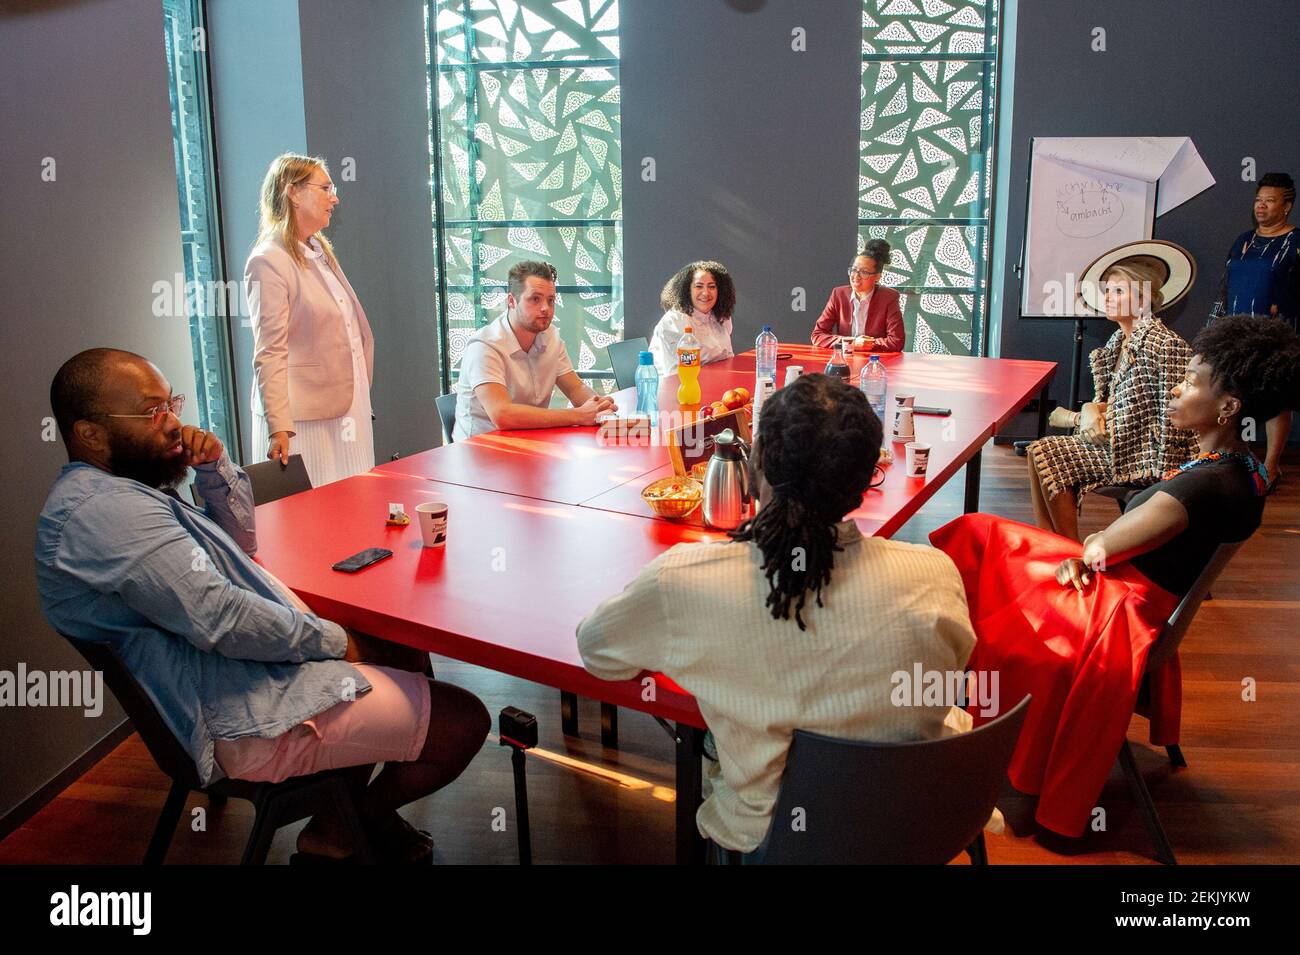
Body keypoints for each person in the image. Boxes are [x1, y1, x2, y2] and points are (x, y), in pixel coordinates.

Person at [36, 348, 490, 863]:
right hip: (244, 716)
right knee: (465, 721)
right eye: (151, 411)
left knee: (402, 652)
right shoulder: (107, 513)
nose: (172, 424)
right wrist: (337, 643)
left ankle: (345, 814)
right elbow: (222, 619)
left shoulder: (123, 492)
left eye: (171, 404)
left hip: (239, 675)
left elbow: (243, 541)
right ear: (90, 433)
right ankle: (344, 829)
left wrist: (212, 469)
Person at [577, 374, 977, 857]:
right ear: (866, 477)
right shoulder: (935, 575)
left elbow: (596, 651)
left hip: (772, 842)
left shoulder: (684, 583)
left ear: (756, 462)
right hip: (918, 826)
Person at [931, 315, 1300, 838]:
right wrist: (1087, 552)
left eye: (1191, 381)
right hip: (1141, 602)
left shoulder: (1196, 491)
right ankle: (965, 687)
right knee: (987, 537)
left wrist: (1084, 555)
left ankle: (962, 701)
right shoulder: (1245, 473)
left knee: (979, 539)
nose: (1177, 387)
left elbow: (1099, 549)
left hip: (1115, 616)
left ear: (1229, 407)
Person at [1028, 245, 1199, 541]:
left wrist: (1168, 478)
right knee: (1040, 450)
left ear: (1143, 300)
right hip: (1120, 444)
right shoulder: (1116, 343)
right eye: (1107, 290)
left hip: (1146, 455)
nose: (1107, 298)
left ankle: (1067, 550)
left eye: (1118, 292)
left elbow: (1176, 416)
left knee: (1048, 452)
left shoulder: (1165, 344)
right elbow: (1119, 403)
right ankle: (1053, 544)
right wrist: (1093, 409)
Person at [245, 154, 376, 487]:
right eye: (326, 188)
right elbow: (269, 351)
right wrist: (279, 426)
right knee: (314, 511)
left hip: (348, 406)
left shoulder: (318, 249)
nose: (335, 198)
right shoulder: (269, 260)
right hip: (302, 419)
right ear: (293, 192)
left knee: (355, 500)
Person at [453, 260, 616, 439]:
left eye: (551, 300)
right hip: (479, 453)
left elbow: (576, 389)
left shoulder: (550, 336)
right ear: (511, 301)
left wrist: (599, 407)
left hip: (530, 443)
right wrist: (579, 415)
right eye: (535, 299)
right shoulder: (485, 346)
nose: (546, 308)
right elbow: (502, 414)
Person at [1216, 172, 1298, 492]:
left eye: (1270, 200)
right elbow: (1226, 288)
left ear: (1287, 206)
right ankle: (1234, 461)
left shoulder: (1295, 242)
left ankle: (1271, 467)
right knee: (1233, 396)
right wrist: (1216, 326)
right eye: (1258, 199)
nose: (1261, 206)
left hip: (1278, 336)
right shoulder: (1243, 240)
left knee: (1276, 399)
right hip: (1236, 333)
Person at [810, 240, 905, 351]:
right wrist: (852, 343)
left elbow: (897, 341)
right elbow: (817, 335)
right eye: (854, 270)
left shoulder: (888, 298)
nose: (856, 276)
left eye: (864, 272)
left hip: (875, 361)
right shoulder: (839, 295)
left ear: (877, 276)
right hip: (846, 359)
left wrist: (870, 344)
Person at [647, 260, 737, 375]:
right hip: (675, 387)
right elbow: (676, 375)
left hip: (715, 382)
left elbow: (728, 359)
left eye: (712, 287)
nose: (706, 293)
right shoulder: (674, 322)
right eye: (699, 286)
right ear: (687, 290)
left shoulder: (722, 316)